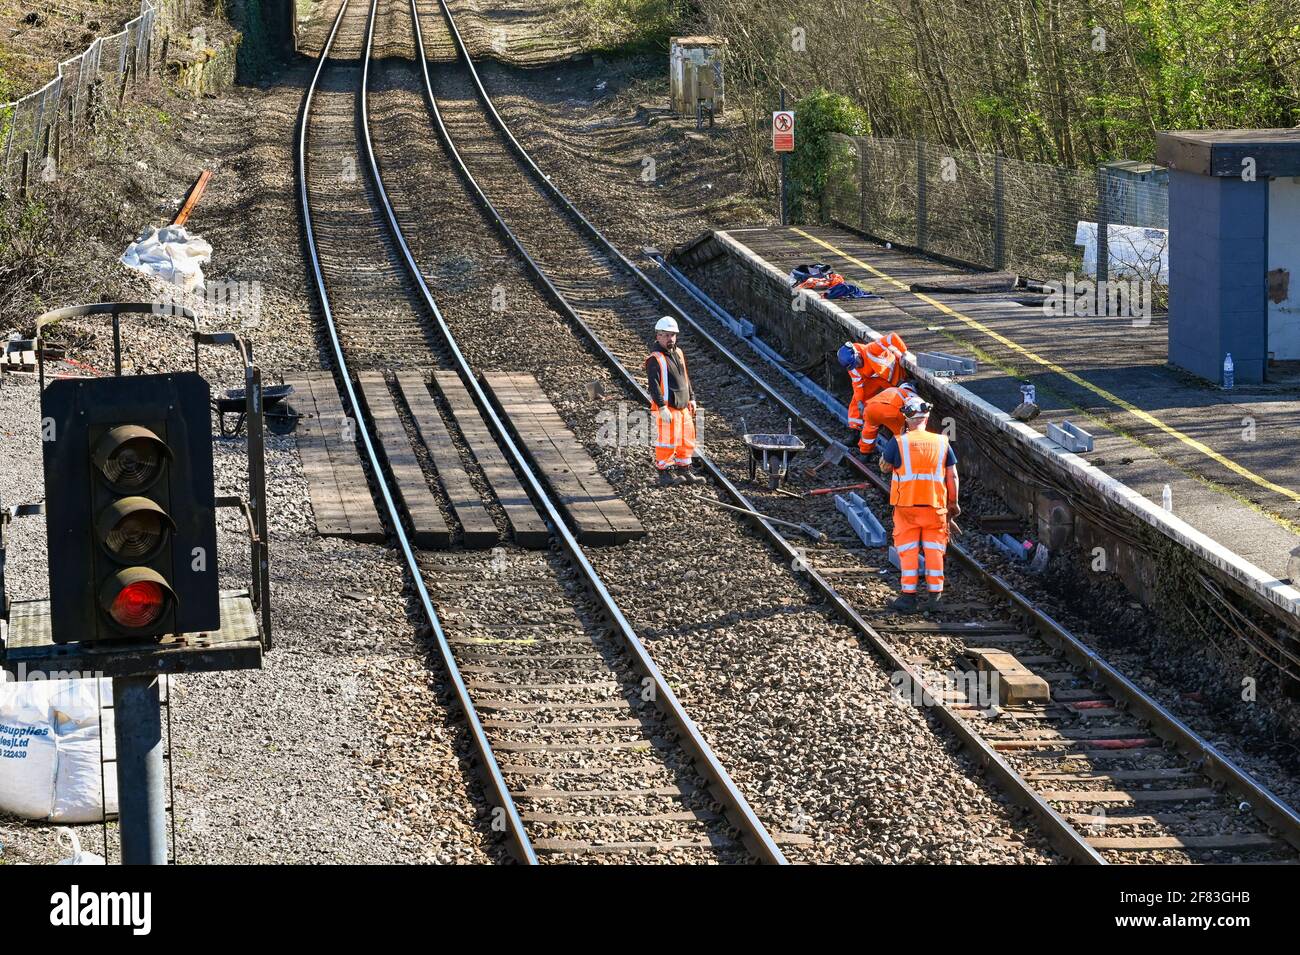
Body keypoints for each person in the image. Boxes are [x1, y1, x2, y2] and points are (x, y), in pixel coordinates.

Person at [878, 395, 959, 612]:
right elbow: (952, 477)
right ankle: (935, 598)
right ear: (927, 416)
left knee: (908, 550)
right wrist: (953, 503)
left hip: (907, 508)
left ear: (906, 417)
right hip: (935, 507)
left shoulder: (898, 442)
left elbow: (885, 467)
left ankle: (908, 597)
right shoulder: (943, 442)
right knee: (934, 550)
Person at [646, 316, 699, 486]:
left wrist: (692, 398)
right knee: (667, 442)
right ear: (658, 336)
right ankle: (665, 474)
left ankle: (685, 470)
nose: (671, 339)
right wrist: (662, 407)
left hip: (683, 406)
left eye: (673, 335)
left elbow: (685, 377)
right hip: (668, 408)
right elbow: (653, 386)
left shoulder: (678, 352)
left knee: (686, 440)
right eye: (667, 335)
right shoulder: (654, 359)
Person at [837, 332, 908, 434]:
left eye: (857, 362)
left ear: (857, 353)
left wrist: (904, 352)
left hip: (896, 379)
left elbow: (892, 337)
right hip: (876, 379)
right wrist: (860, 402)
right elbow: (857, 385)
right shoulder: (852, 367)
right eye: (854, 365)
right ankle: (855, 430)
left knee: (897, 403)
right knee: (857, 400)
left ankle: (896, 429)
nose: (857, 365)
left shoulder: (872, 350)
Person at [857, 381, 918, 456]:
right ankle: (899, 457)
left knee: (869, 429)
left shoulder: (891, 389)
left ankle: (864, 452)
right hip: (893, 412)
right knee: (901, 437)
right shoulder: (913, 396)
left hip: (871, 408)